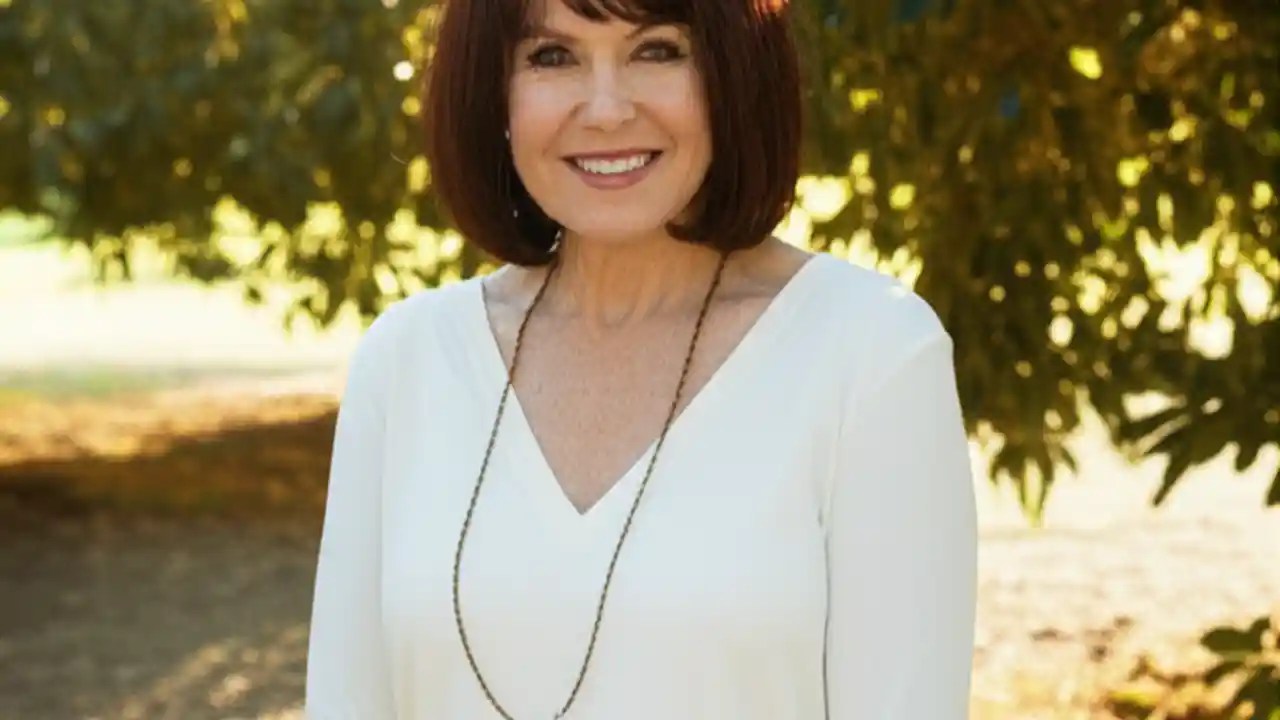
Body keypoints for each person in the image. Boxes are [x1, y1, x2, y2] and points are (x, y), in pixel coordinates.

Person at [304, 0, 978, 716]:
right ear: (491, 89)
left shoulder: (872, 353)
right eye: (552, 57)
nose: (605, 109)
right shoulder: (407, 362)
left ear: (735, 71)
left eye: (657, 50)